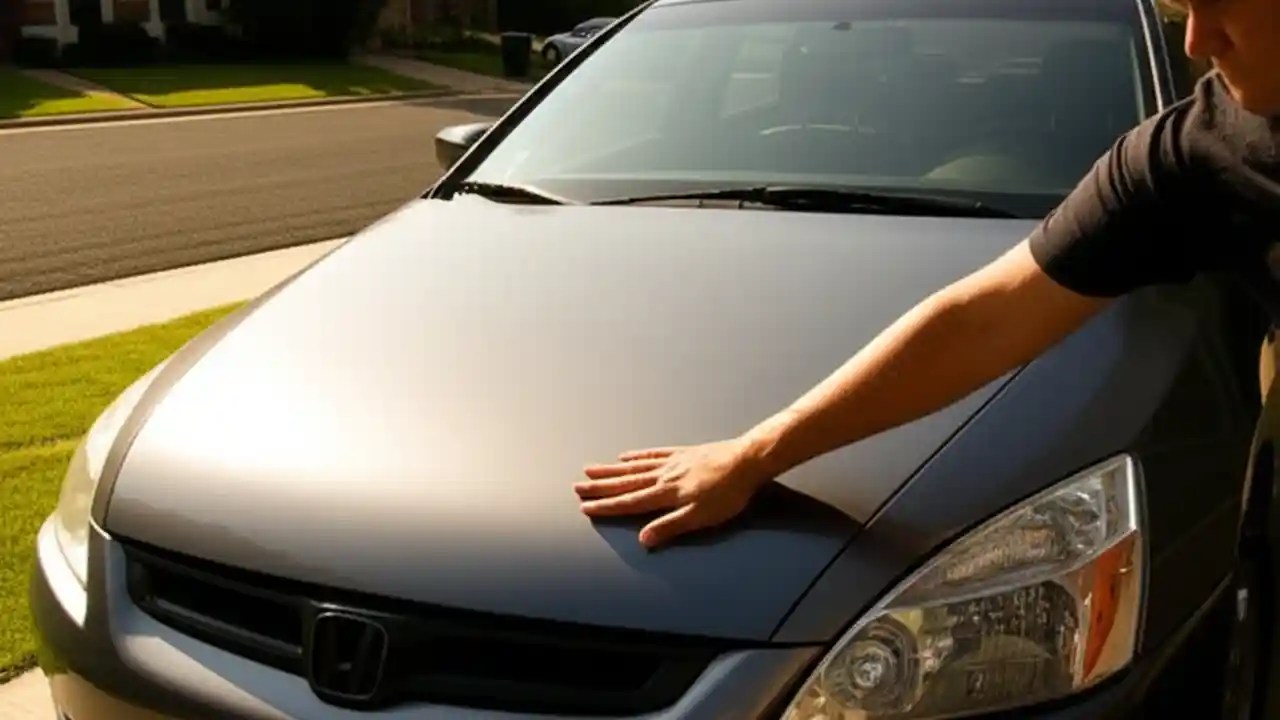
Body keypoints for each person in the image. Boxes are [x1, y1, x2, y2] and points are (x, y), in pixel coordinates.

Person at [573, 0, 1280, 550]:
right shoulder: (1196, 156)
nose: (1198, 43)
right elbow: (985, 316)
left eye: (1218, 4)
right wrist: (757, 453)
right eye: (1182, 11)